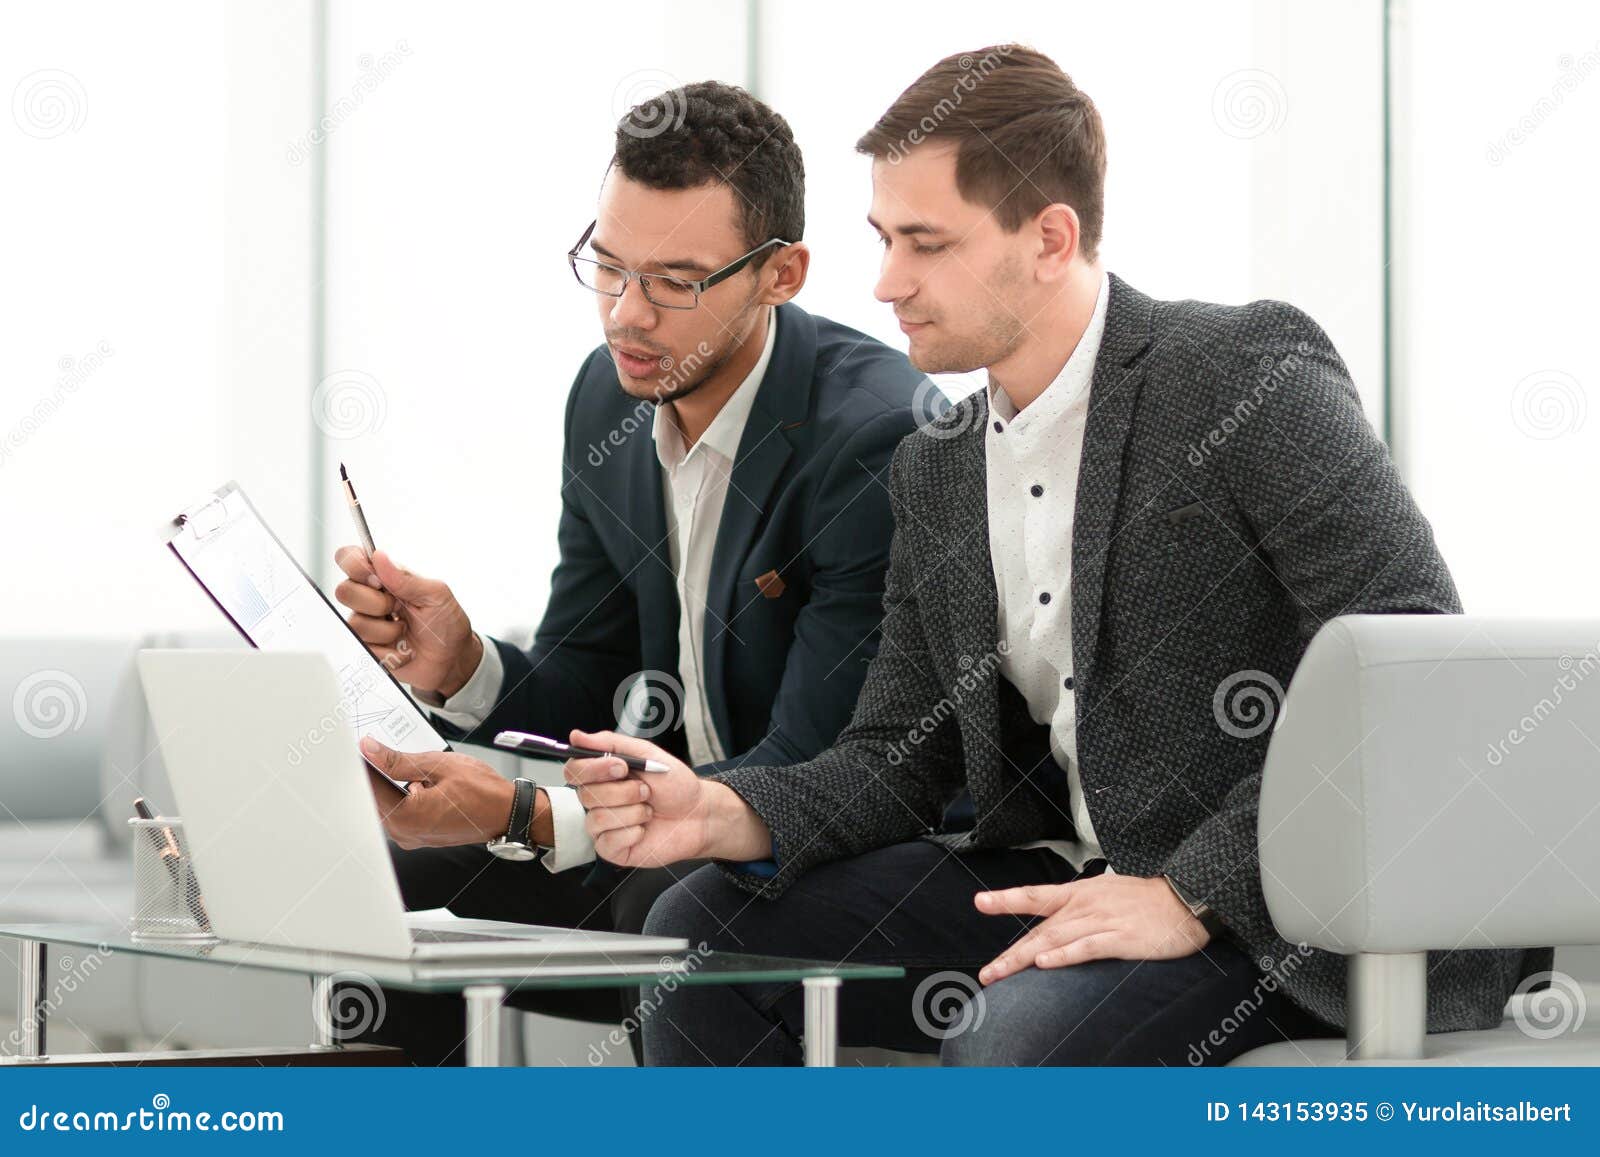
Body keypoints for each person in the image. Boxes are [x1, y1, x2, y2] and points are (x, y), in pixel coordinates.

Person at [562, 45, 1551, 1066]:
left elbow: (1411, 669)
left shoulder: (1238, 378)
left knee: (1018, 1042)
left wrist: (1190, 887)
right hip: (1067, 878)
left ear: (1048, 238)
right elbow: (896, 755)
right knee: (699, 932)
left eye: (926, 243)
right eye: (883, 237)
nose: (887, 282)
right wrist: (718, 806)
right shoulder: (937, 462)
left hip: (1284, 912)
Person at [334, 80, 923, 1064]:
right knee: (397, 874)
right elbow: (590, 675)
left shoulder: (871, 436)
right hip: (659, 833)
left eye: (676, 280)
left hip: (820, 849)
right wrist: (463, 662)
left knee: (674, 902)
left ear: (781, 273)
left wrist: (531, 814)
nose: (626, 315)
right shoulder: (609, 398)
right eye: (607, 266)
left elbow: (811, 762)